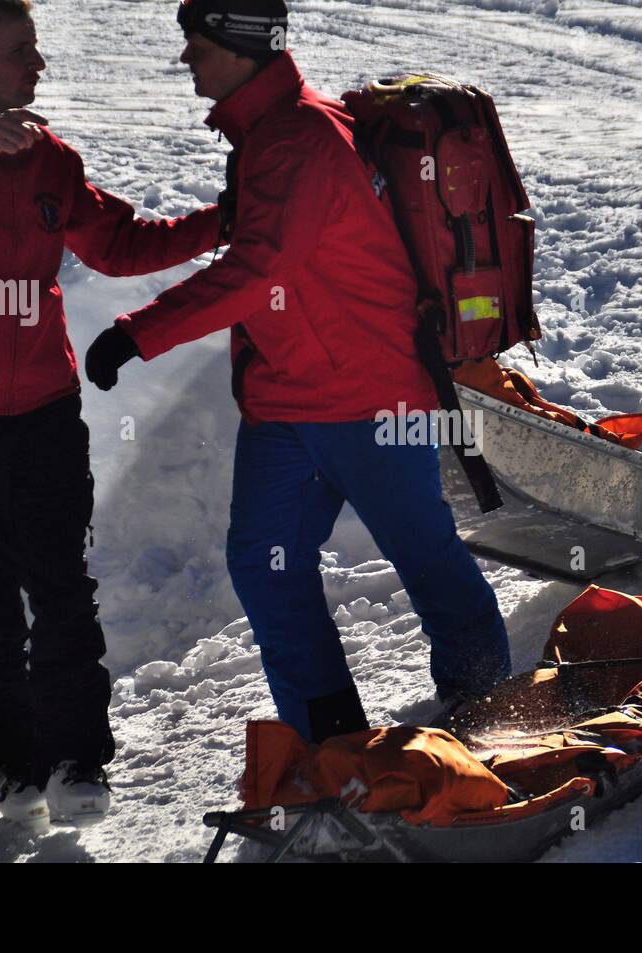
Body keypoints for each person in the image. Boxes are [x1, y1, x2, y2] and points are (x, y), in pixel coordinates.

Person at [85, 0, 512, 743]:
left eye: (198, 43)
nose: (187, 58)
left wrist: (137, 334)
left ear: (241, 45)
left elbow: (258, 271)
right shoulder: (268, 133)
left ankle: (490, 713)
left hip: (368, 395)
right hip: (287, 399)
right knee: (264, 560)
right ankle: (329, 740)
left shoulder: (300, 136)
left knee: (423, 553)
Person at [0, 0, 222, 828]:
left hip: (42, 414)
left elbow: (124, 244)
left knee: (62, 589)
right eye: (21, 49)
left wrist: (228, 221)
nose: (39, 65)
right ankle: (10, 770)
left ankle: (79, 763)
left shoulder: (48, 159)